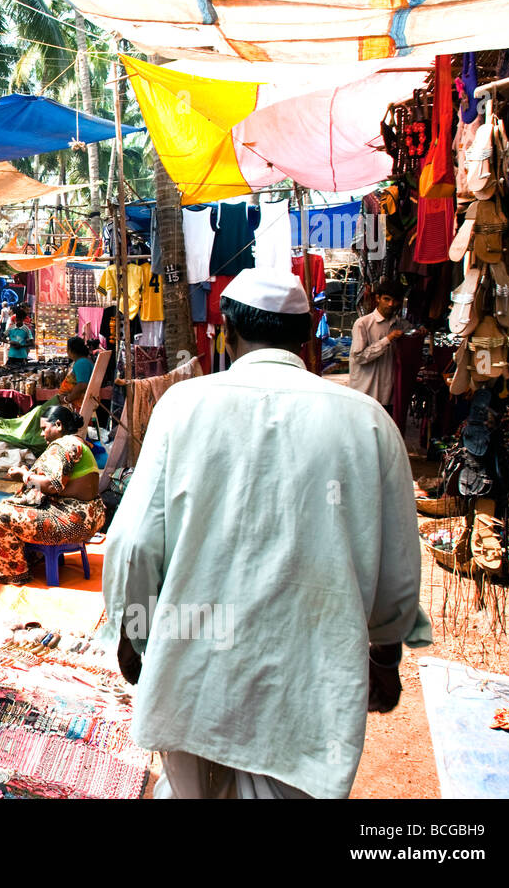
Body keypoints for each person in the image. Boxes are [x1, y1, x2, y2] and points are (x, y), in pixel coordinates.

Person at [101, 268, 428, 800]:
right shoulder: (367, 423)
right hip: (308, 682)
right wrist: (385, 653)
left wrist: (136, 632)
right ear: (307, 331)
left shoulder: (183, 407)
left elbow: (135, 543)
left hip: (191, 665)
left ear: (226, 330)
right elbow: (397, 562)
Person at [0, 404, 105, 585]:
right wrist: (30, 475)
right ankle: (32, 558)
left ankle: (11, 573)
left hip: (73, 521)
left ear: (58, 425)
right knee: (16, 507)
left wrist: (25, 476)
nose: (42, 434)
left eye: (44, 428)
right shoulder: (78, 442)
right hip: (90, 516)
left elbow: (51, 486)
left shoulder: (64, 445)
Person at [350, 279, 414, 414]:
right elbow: (359, 357)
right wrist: (387, 339)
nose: (391, 304)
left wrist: (418, 333)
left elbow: (412, 338)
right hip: (365, 394)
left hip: (388, 397)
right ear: (378, 298)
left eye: (395, 301)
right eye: (387, 299)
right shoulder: (363, 324)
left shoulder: (401, 325)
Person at [58, 336, 94, 410]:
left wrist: (67, 399)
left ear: (71, 350)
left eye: (67, 348)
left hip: (79, 405)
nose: (66, 351)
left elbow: (82, 385)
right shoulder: (82, 361)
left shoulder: (82, 363)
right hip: (76, 403)